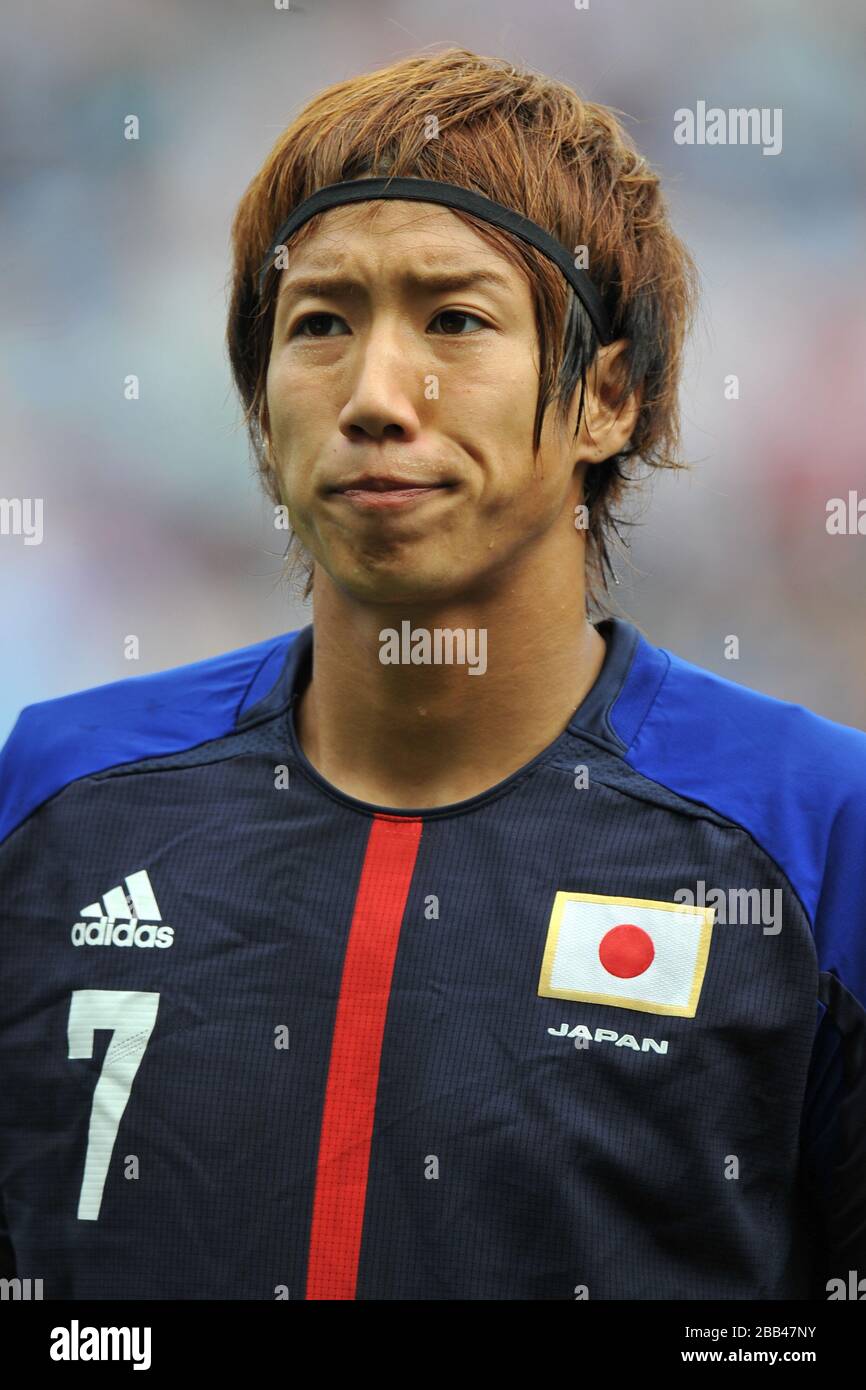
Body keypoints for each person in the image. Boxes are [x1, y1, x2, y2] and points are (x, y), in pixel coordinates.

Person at [0, 46, 863, 1302]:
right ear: (256, 404)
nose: (371, 397)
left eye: (453, 319)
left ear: (605, 399)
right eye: (318, 325)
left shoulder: (810, 824)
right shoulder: (58, 793)